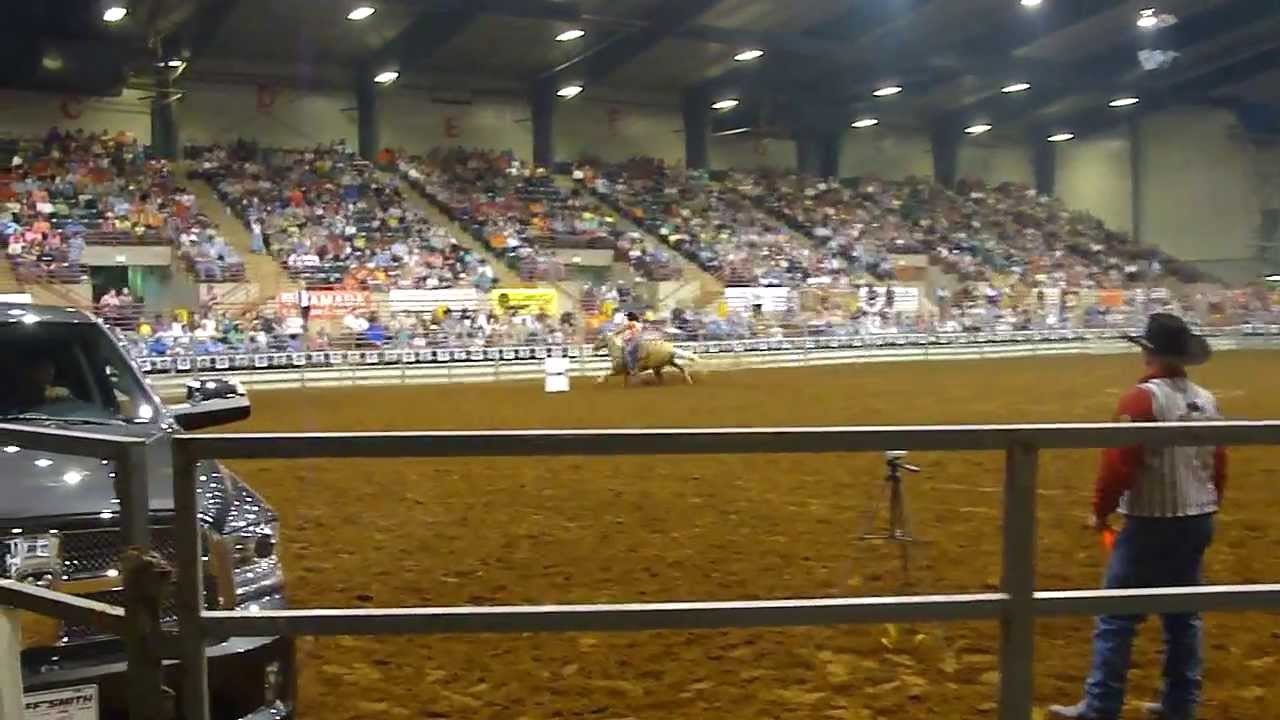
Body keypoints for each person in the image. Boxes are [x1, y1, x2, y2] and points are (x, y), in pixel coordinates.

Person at [1049, 313, 1226, 720]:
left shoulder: (1141, 399)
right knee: (1183, 616)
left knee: (1117, 616)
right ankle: (1179, 704)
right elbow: (1219, 463)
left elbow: (1119, 463)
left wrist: (1100, 511)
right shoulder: (1206, 400)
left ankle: (1101, 706)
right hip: (1196, 517)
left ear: (1149, 353)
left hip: (1151, 520)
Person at [616, 311, 642, 375]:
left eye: (627, 316)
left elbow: (623, 329)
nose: (627, 318)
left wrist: (615, 333)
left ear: (631, 317)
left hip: (634, 340)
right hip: (636, 339)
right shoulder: (638, 323)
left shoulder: (631, 323)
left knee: (628, 352)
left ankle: (632, 368)